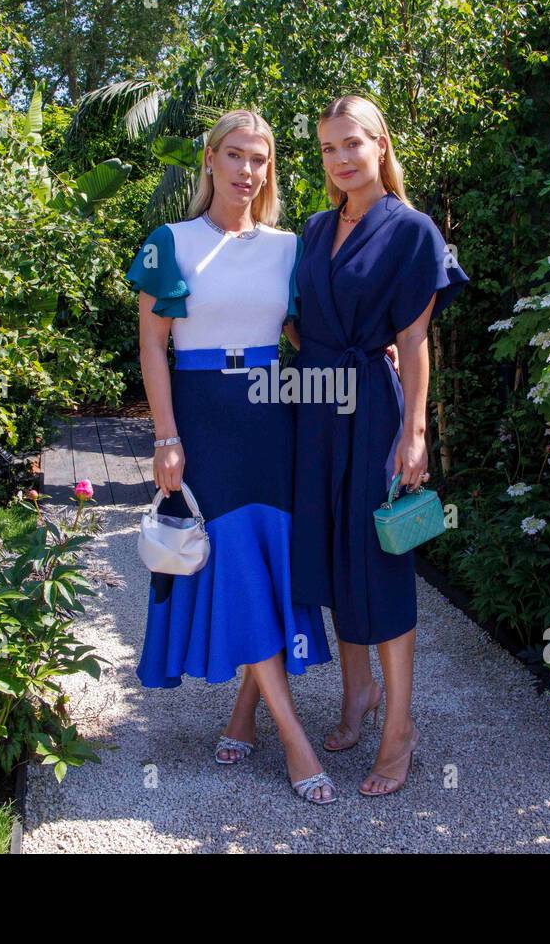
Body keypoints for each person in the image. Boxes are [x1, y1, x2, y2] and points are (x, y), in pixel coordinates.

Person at [126, 109, 337, 804]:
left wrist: (378, 352)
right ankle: (294, 738)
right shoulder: (172, 242)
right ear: (211, 159)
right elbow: (154, 345)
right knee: (240, 567)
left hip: (275, 417)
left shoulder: (289, 247)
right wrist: (165, 437)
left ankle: (247, 710)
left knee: (267, 567)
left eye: (261, 160)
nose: (249, 171)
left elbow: (313, 332)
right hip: (204, 422)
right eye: (237, 156)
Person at [290, 95, 469, 797]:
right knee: (332, 547)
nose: (340, 160)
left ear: (380, 145)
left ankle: (400, 726)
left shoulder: (413, 231)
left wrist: (415, 431)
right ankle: (356, 690)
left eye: (351, 145)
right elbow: (299, 319)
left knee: (380, 559)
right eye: (329, 149)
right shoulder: (312, 228)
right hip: (315, 408)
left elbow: (415, 341)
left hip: (373, 412)